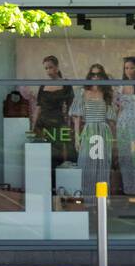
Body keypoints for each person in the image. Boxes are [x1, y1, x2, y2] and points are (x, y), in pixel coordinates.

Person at [71, 65, 116, 202]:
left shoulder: (107, 93)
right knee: (86, 165)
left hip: (103, 131)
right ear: (89, 76)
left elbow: (111, 119)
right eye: (93, 74)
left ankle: (102, 201)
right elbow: (77, 117)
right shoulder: (82, 92)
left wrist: (114, 140)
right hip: (89, 130)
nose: (95, 77)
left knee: (103, 166)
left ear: (103, 76)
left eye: (98, 75)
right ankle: (88, 200)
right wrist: (77, 138)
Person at [32, 55, 75, 175]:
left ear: (56, 67)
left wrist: (69, 124)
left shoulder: (66, 84)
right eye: (46, 68)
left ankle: (59, 181)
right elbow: (38, 107)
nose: (48, 71)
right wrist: (33, 125)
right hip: (43, 123)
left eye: (50, 67)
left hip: (58, 123)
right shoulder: (43, 85)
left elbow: (71, 106)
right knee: (42, 154)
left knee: (60, 153)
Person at [116, 57, 135, 199]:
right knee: (125, 158)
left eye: (132, 67)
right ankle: (129, 193)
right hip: (123, 125)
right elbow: (117, 107)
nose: (129, 71)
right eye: (126, 68)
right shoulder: (120, 86)